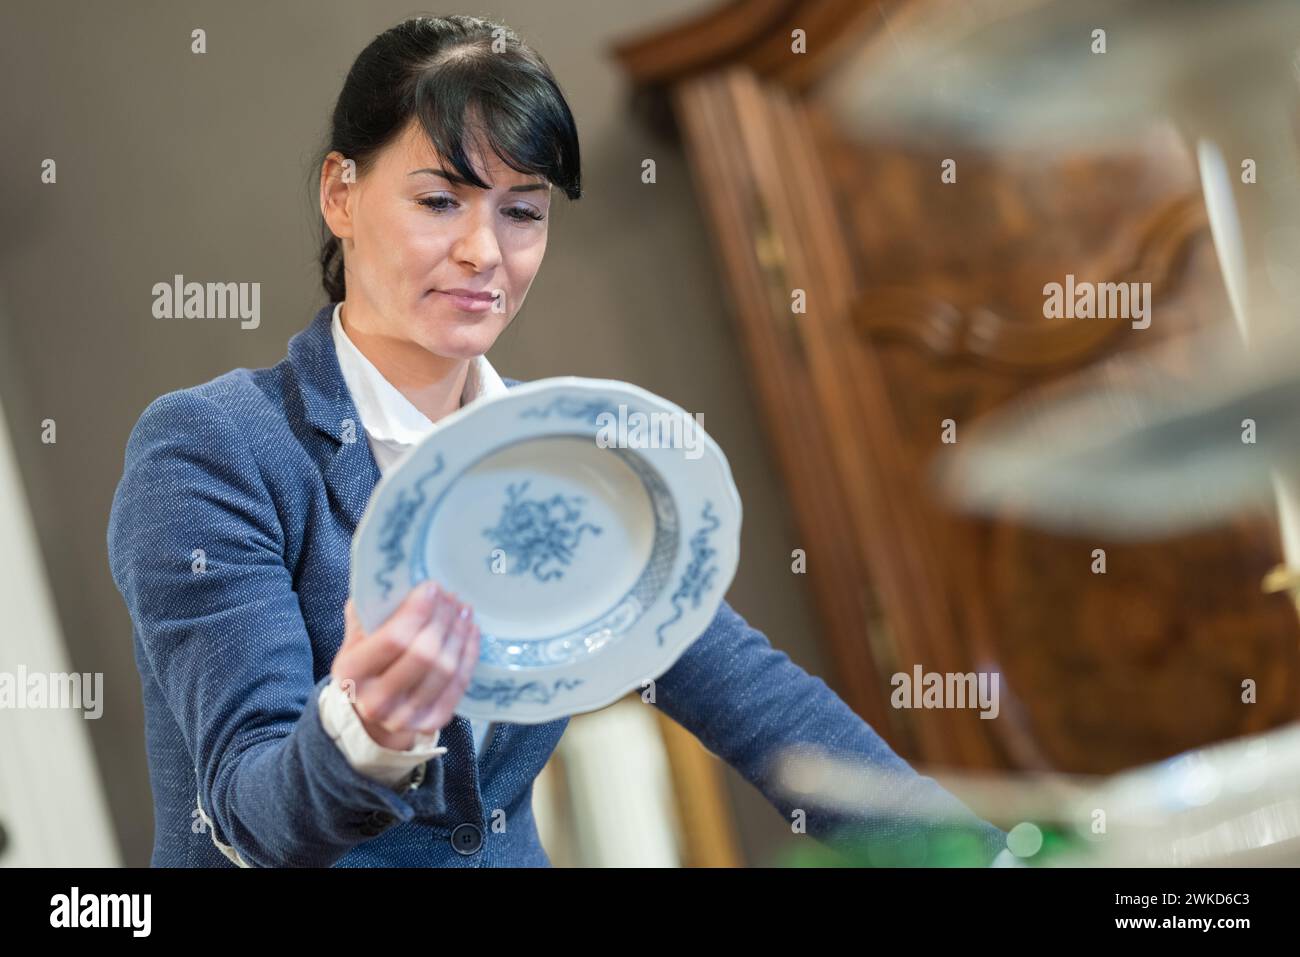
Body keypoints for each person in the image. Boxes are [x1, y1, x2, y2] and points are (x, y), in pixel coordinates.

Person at [107, 14, 1007, 867]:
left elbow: (759, 702)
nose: (482, 252)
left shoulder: (573, 454)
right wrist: (363, 734)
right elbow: (247, 816)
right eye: (439, 199)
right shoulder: (215, 447)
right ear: (341, 193)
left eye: (521, 211)